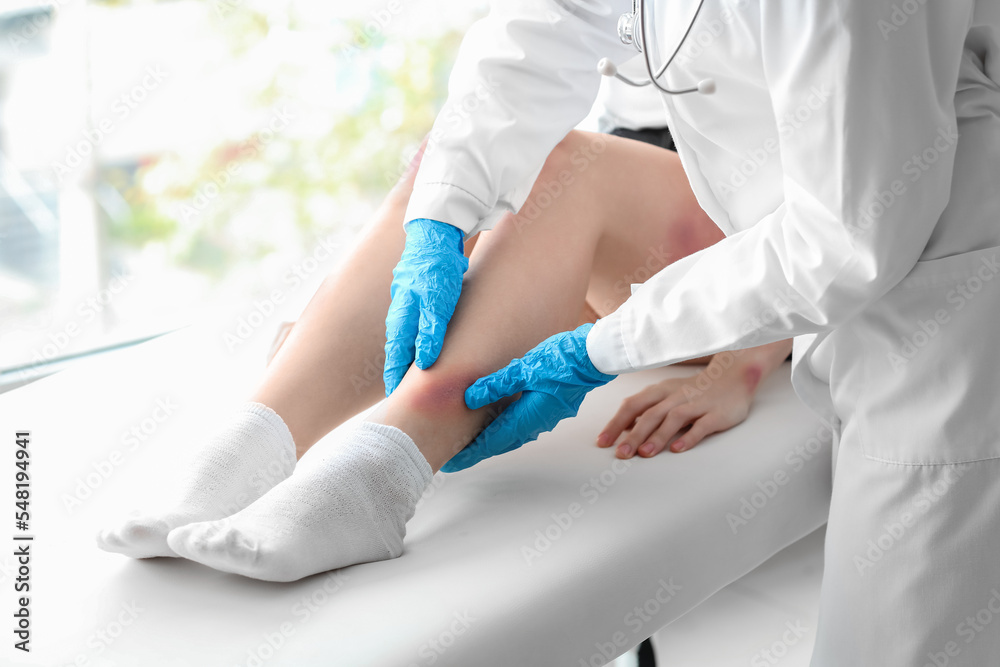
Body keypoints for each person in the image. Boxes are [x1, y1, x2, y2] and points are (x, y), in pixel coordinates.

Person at [409, 1, 999, 665]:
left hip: (944, 291)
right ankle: (319, 443)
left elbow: (845, 239)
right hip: (848, 261)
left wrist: (604, 346)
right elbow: (558, 17)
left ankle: (380, 461)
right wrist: (443, 204)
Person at [96, 90, 793, 582]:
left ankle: (378, 479)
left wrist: (749, 357)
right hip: (629, 208)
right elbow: (524, 65)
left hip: (757, 242)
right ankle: (255, 440)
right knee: (455, 162)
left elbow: (859, 208)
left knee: (569, 162)